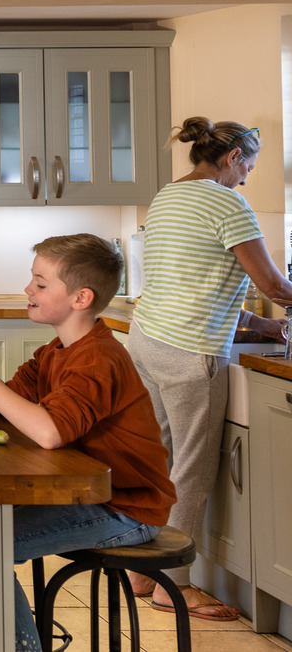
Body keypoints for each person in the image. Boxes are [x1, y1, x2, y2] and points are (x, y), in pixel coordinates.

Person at [0, 234, 176, 652]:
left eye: (40, 283)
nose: (27, 290)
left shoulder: (98, 359)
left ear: (80, 298)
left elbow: (49, 433)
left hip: (127, 509)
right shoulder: (57, 351)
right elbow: (9, 403)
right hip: (86, 496)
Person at [124, 117, 292, 619]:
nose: (246, 181)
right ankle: (171, 585)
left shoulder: (168, 195)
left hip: (147, 339)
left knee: (161, 460)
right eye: (249, 169)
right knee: (192, 470)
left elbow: (194, 283)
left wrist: (266, 330)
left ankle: (139, 571)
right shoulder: (228, 202)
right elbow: (273, 286)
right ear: (233, 157)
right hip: (189, 351)